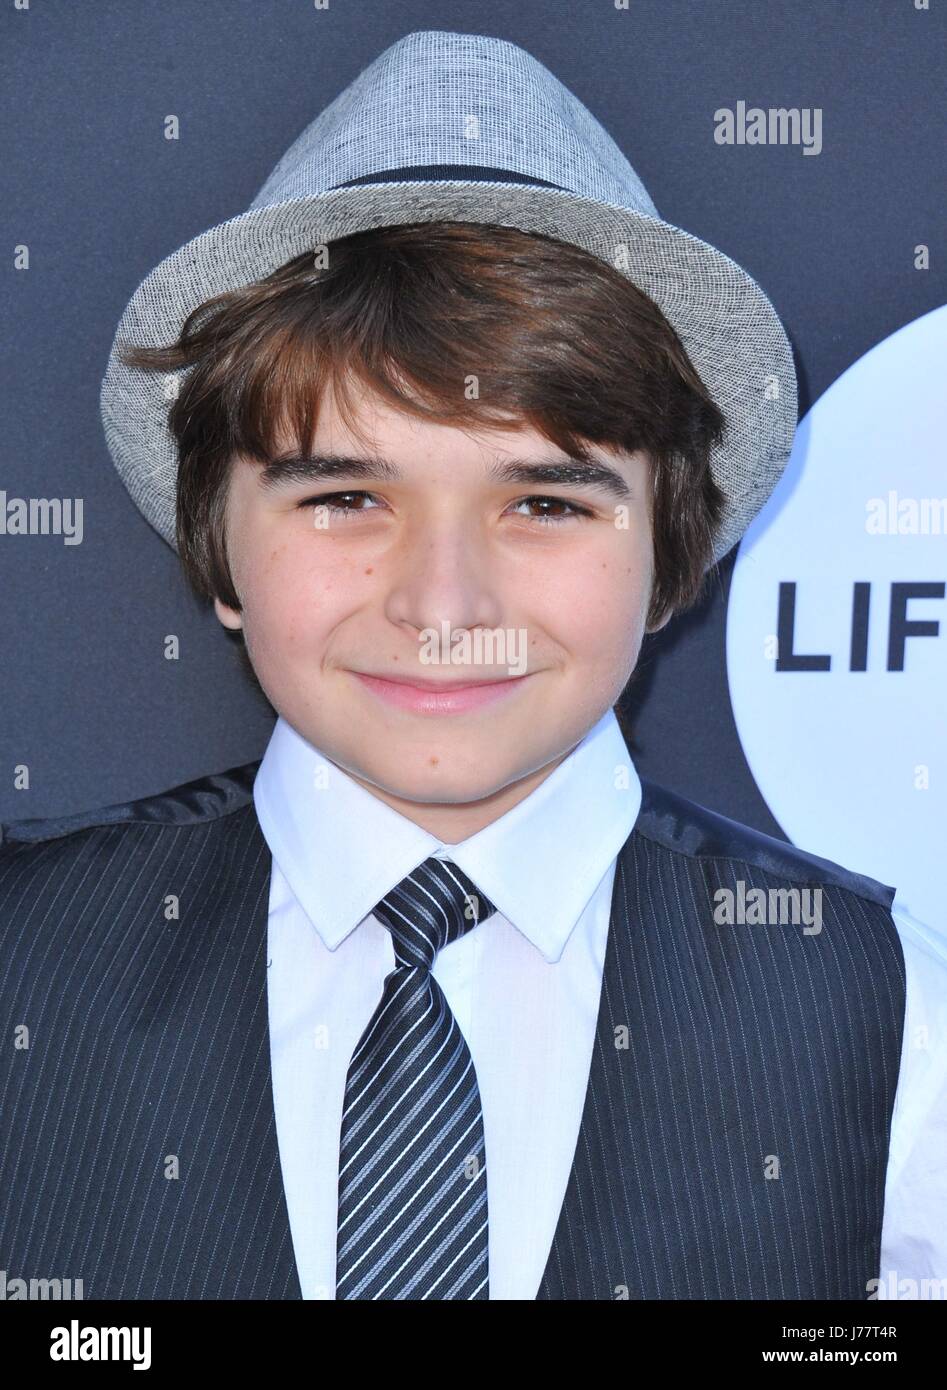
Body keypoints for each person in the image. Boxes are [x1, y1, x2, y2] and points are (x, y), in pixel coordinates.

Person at [1, 30, 944, 1302]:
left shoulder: (891, 1019)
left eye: (544, 505)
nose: (442, 604)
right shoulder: (23, 963)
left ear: (668, 556)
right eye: (344, 497)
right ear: (217, 552)